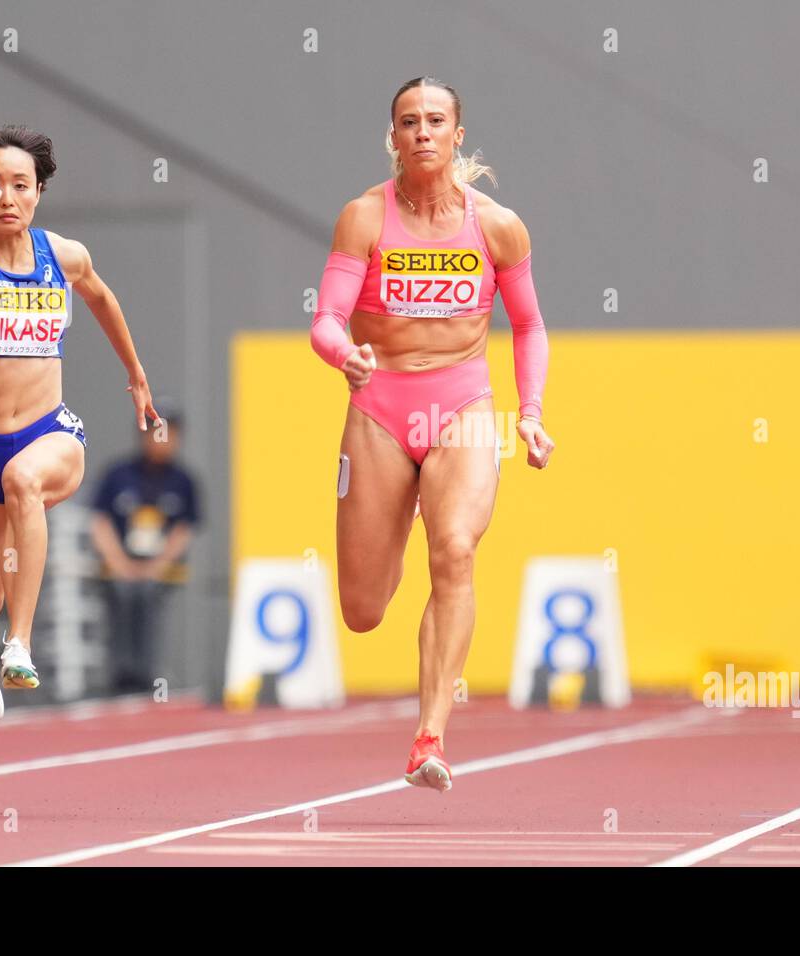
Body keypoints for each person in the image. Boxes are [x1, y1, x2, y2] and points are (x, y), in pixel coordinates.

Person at [311, 76, 554, 791]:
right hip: (380, 411)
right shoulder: (363, 217)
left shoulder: (497, 226)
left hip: (462, 408)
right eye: (408, 121)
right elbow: (327, 317)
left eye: (435, 120)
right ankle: (402, 502)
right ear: (394, 137)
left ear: (457, 135)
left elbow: (530, 325)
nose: (422, 131)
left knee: (453, 551)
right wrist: (343, 353)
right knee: (361, 610)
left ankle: (430, 737)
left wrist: (532, 413)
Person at [0, 125, 159, 721]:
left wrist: (134, 372)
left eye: (19, 185)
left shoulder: (65, 256)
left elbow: (102, 298)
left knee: (25, 480)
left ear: (39, 192)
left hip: (49, 432)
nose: (6, 197)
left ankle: (19, 643)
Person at [90, 403, 200, 694]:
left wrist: (156, 565)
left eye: (169, 432)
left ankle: (147, 673)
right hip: (117, 565)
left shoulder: (183, 481)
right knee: (122, 593)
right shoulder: (118, 475)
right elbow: (100, 522)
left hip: (162, 569)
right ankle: (120, 675)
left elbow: (183, 530)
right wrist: (119, 562)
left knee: (148, 594)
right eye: (155, 432)